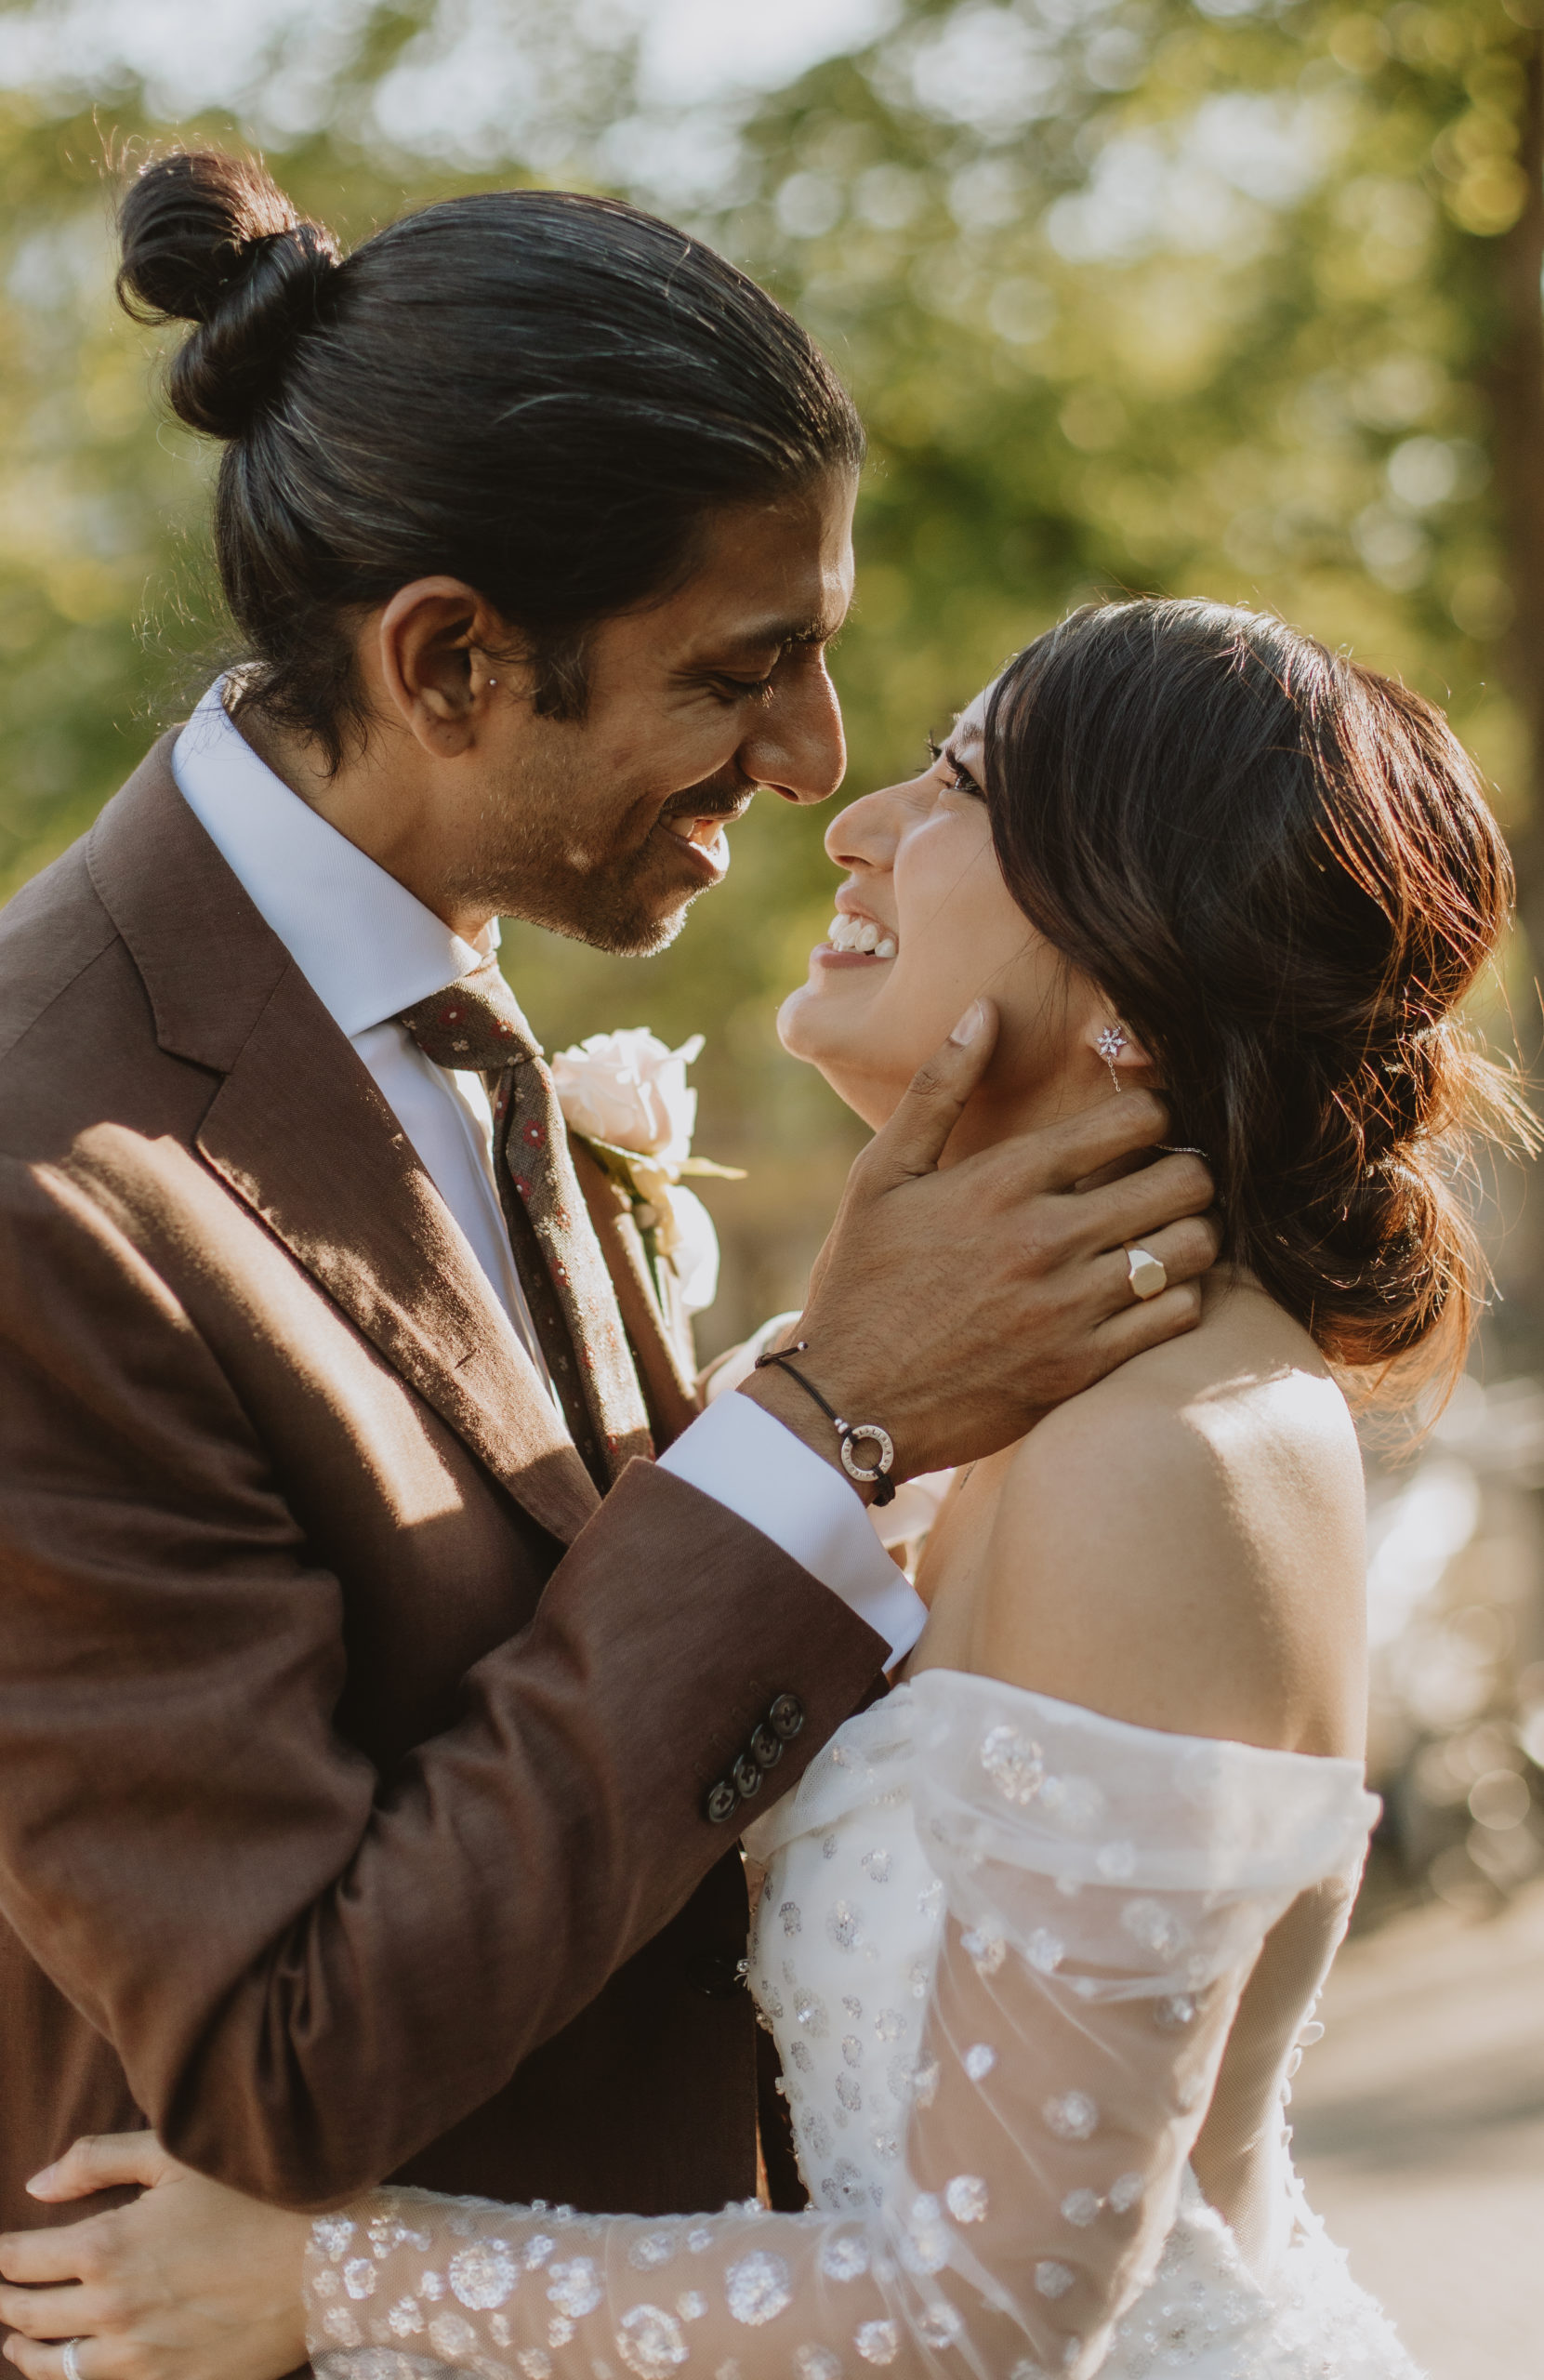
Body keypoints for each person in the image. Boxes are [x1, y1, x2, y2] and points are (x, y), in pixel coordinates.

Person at [3, 600, 1523, 2379]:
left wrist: (330, 2281)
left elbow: (995, 2308)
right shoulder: (929, 1383)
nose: (856, 813)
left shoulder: (1174, 1455)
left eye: (962, 783)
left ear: (1134, 956)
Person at [0, 148, 1221, 2301]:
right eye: (741, 671)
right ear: (453, 660)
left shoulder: (430, 989)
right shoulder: (51, 1181)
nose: (809, 758)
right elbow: (280, 2047)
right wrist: (820, 1419)